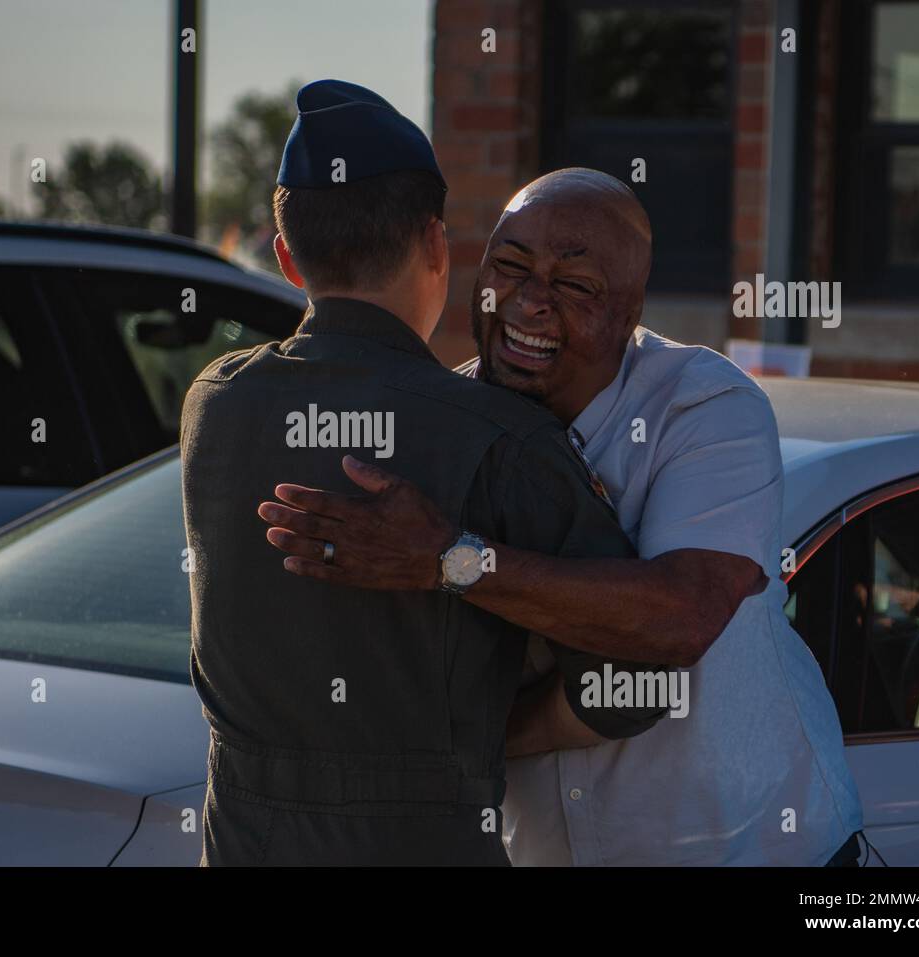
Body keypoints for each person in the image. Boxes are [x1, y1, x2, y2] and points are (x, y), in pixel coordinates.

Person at [257, 167, 866, 866]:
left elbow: (681, 616)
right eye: (509, 268)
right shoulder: (441, 424)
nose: (530, 302)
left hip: (758, 850)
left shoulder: (704, 406)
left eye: (575, 287)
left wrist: (450, 561)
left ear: (632, 308)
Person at [182, 85, 664, 866]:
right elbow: (638, 676)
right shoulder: (503, 438)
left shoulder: (214, 404)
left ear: (284, 257)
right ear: (437, 246)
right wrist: (487, 737)